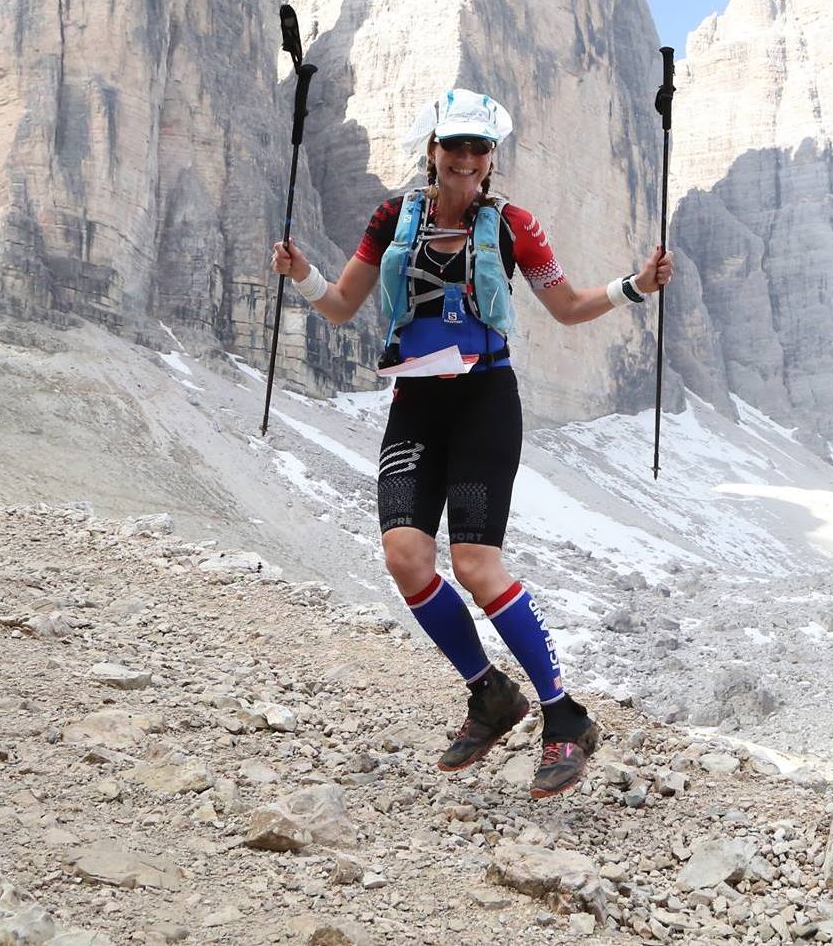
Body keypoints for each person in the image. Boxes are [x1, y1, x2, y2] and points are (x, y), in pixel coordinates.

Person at [271, 89, 673, 797]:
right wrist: (299, 273)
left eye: (477, 148)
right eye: (452, 144)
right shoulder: (391, 217)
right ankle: (490, 694)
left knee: (476, 563)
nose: (463, 158)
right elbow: (339, 307)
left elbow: (567, 305)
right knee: (403, 556)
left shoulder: (513, 225)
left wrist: (634, 287)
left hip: (485, 399)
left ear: (491, 158)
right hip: (416, 401)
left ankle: (564, 715)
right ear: (431, 148)